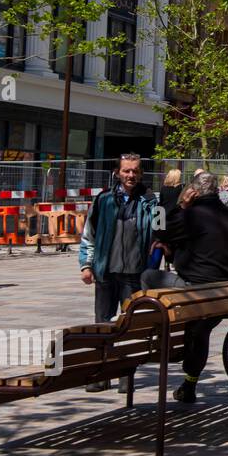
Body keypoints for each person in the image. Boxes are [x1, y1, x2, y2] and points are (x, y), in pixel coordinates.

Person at [142, 171, 228, 403]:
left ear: (192, 192)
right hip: (227, 291)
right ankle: (189, 385)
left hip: (197, 290)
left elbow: (159, 228)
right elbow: (204, 246)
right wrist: (176, 250)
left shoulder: (192, 214)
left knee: (149, 276)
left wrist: (182, 207)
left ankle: (152, 327)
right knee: (200, 329)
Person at [79, 153, 157, 391]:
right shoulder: (103, 200)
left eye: (135, 171)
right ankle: (102, 374)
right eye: (126, 171)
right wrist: (86, 264)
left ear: (141, 173)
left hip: (134, 275)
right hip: (105, 272)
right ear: (117, 173)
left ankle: (125, 374)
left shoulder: (152, 201)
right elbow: (88, 234)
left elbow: (162, 238)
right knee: (102, 324)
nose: (130, 175)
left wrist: (152, 269)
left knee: (129, 325)